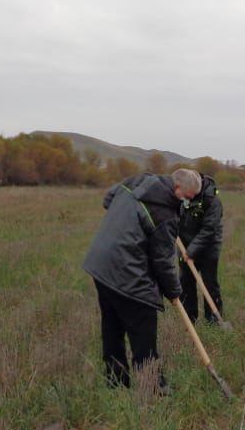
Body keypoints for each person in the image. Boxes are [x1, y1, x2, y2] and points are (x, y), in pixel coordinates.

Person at [83, 167, 203, 390]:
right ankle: (154, 388)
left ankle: (116, 383)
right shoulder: (165, 215)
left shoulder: (138, 180)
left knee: (112, 327)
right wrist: (174, 292)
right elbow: (163, 262)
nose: (188, 203)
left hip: (100, 265)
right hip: (126, 272)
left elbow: (108, 198)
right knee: (143, 330)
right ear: (177, 188)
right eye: (187, 198)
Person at [178, 171, 224, 324]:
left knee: (209, 283)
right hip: (185, 247)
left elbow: (209, 230)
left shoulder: (212, 201)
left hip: (208, 248)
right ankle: (190, 319)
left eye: (192, 194)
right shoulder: (181, 194)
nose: (189, 197)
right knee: (186, 283)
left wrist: (192, 250)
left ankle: (214, 320)